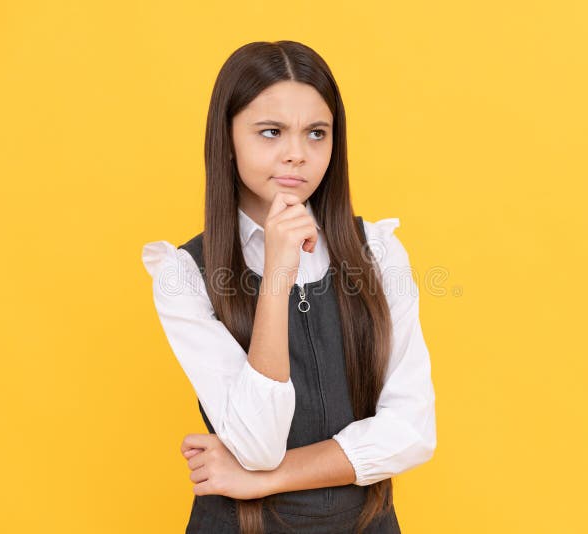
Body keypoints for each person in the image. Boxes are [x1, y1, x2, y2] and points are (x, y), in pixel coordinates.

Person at [141, 40, 436, 534]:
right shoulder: (183, 274)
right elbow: (258, 444)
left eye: (316, 133)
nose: (297, 154)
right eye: (271, 132)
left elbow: (411, 432)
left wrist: (263, 480)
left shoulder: (379, 253)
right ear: (227, 138)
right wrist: (277, 275)